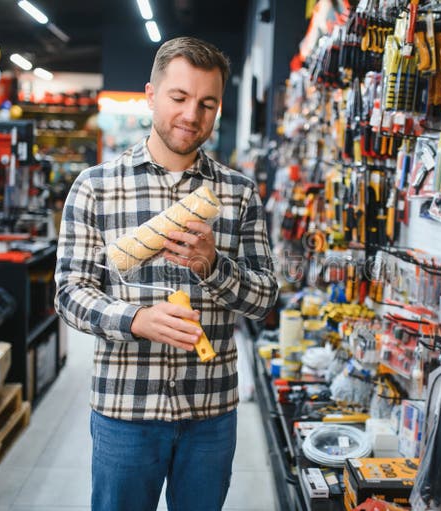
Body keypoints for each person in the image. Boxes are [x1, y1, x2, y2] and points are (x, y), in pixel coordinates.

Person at [54, 36, 278, 511]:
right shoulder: (96, 187)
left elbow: (263, 298)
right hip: (126, 410)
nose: (192, 115)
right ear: (152, 94)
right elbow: (70, 293)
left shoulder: (239, 195)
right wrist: (134, 320)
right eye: (179, 98)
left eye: (207, 103)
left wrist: (214, 267)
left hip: (210, 412)